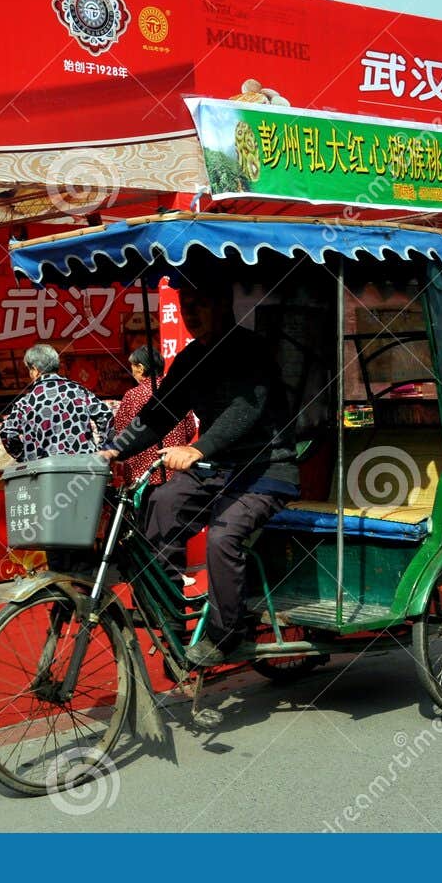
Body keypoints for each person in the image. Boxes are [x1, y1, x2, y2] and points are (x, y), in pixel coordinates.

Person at [101, 283, 299, 667]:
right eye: (185, 306)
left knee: (223, 536)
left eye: (199, 304)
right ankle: (171, 615)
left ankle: (226, 633)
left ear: (222, 304)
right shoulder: (193, 356)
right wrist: (115, 448)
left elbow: (247, 409)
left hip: (266, 468)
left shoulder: (250, 350)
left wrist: (197, 449)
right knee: (160, 506)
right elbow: (160, 412)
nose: (191, 313)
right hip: (219, 469)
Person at [0, 343, 113, 462]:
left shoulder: (27, 402)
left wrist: (24, 456)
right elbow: (106, 415)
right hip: (83, 465)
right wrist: (102, 448)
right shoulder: (79, 392)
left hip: (44, 471)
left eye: (29, 370)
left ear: (35, 371)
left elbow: (7, 433)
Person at [110, 346, 196, 488]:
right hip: (175, 470)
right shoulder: (176, 391)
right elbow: (190, 429)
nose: (131, 371)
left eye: (132, 366)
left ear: (140, 368)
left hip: (143, 475)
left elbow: (122, 432)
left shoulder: (132, 396)